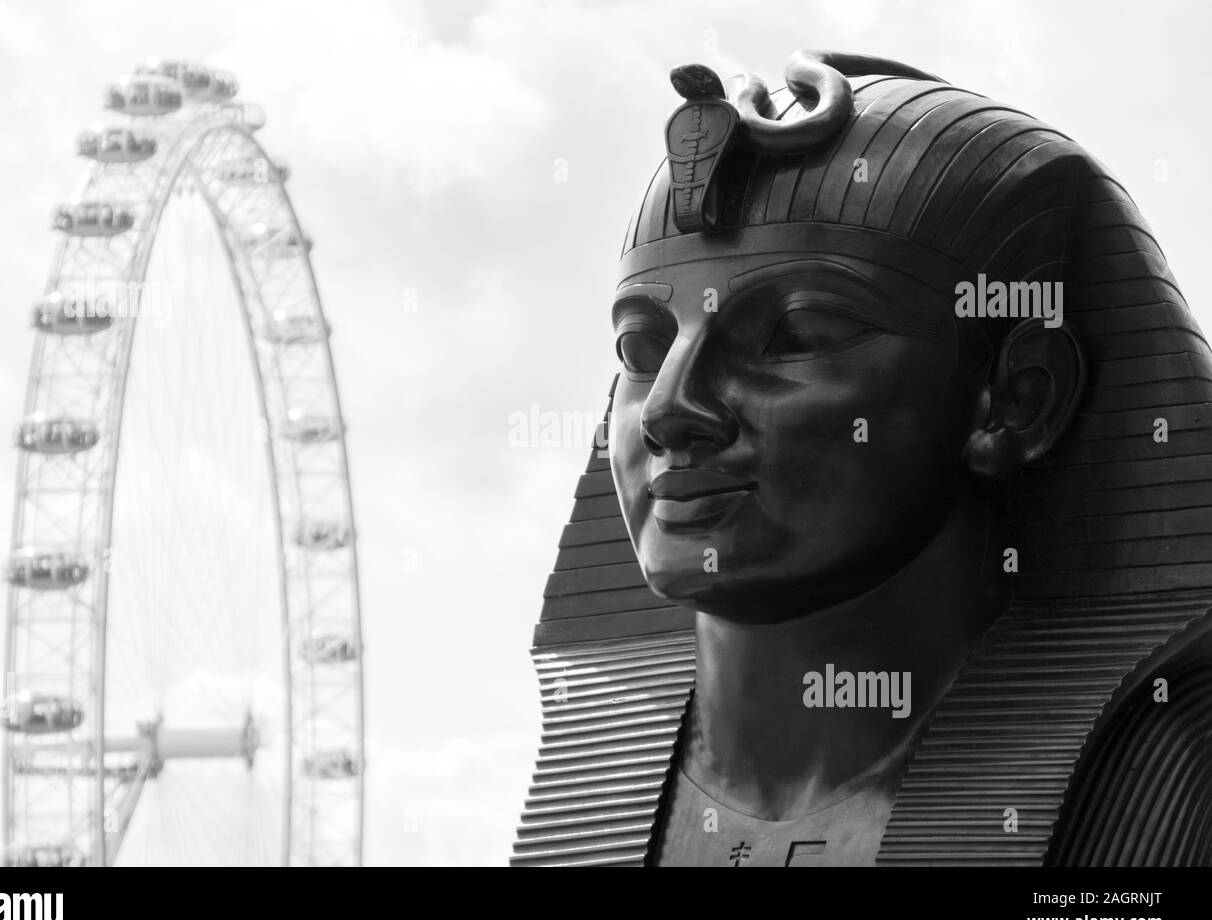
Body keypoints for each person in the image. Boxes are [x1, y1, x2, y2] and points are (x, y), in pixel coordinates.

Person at [512, 50, 1212, 867]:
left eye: (800, 332)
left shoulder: (1172, 796)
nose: (670, 410)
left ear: (1017, 399)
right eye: (641, 345)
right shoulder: (610, 799)